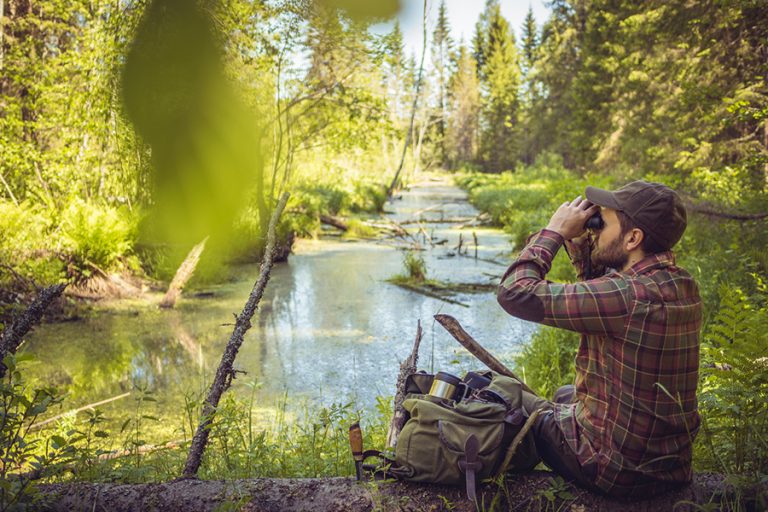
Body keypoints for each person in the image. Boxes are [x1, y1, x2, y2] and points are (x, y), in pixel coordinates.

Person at [497, 181, 702, 500]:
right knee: (566, 394)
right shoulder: (681, 284)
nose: (594, 229)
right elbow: (604, 301)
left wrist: (554, 232)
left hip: (615, 472)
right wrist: (583, 245)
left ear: (633, 238)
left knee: (511, 402)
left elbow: (514, 292)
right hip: (669, 467)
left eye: (602, 223)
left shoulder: (626, 296)